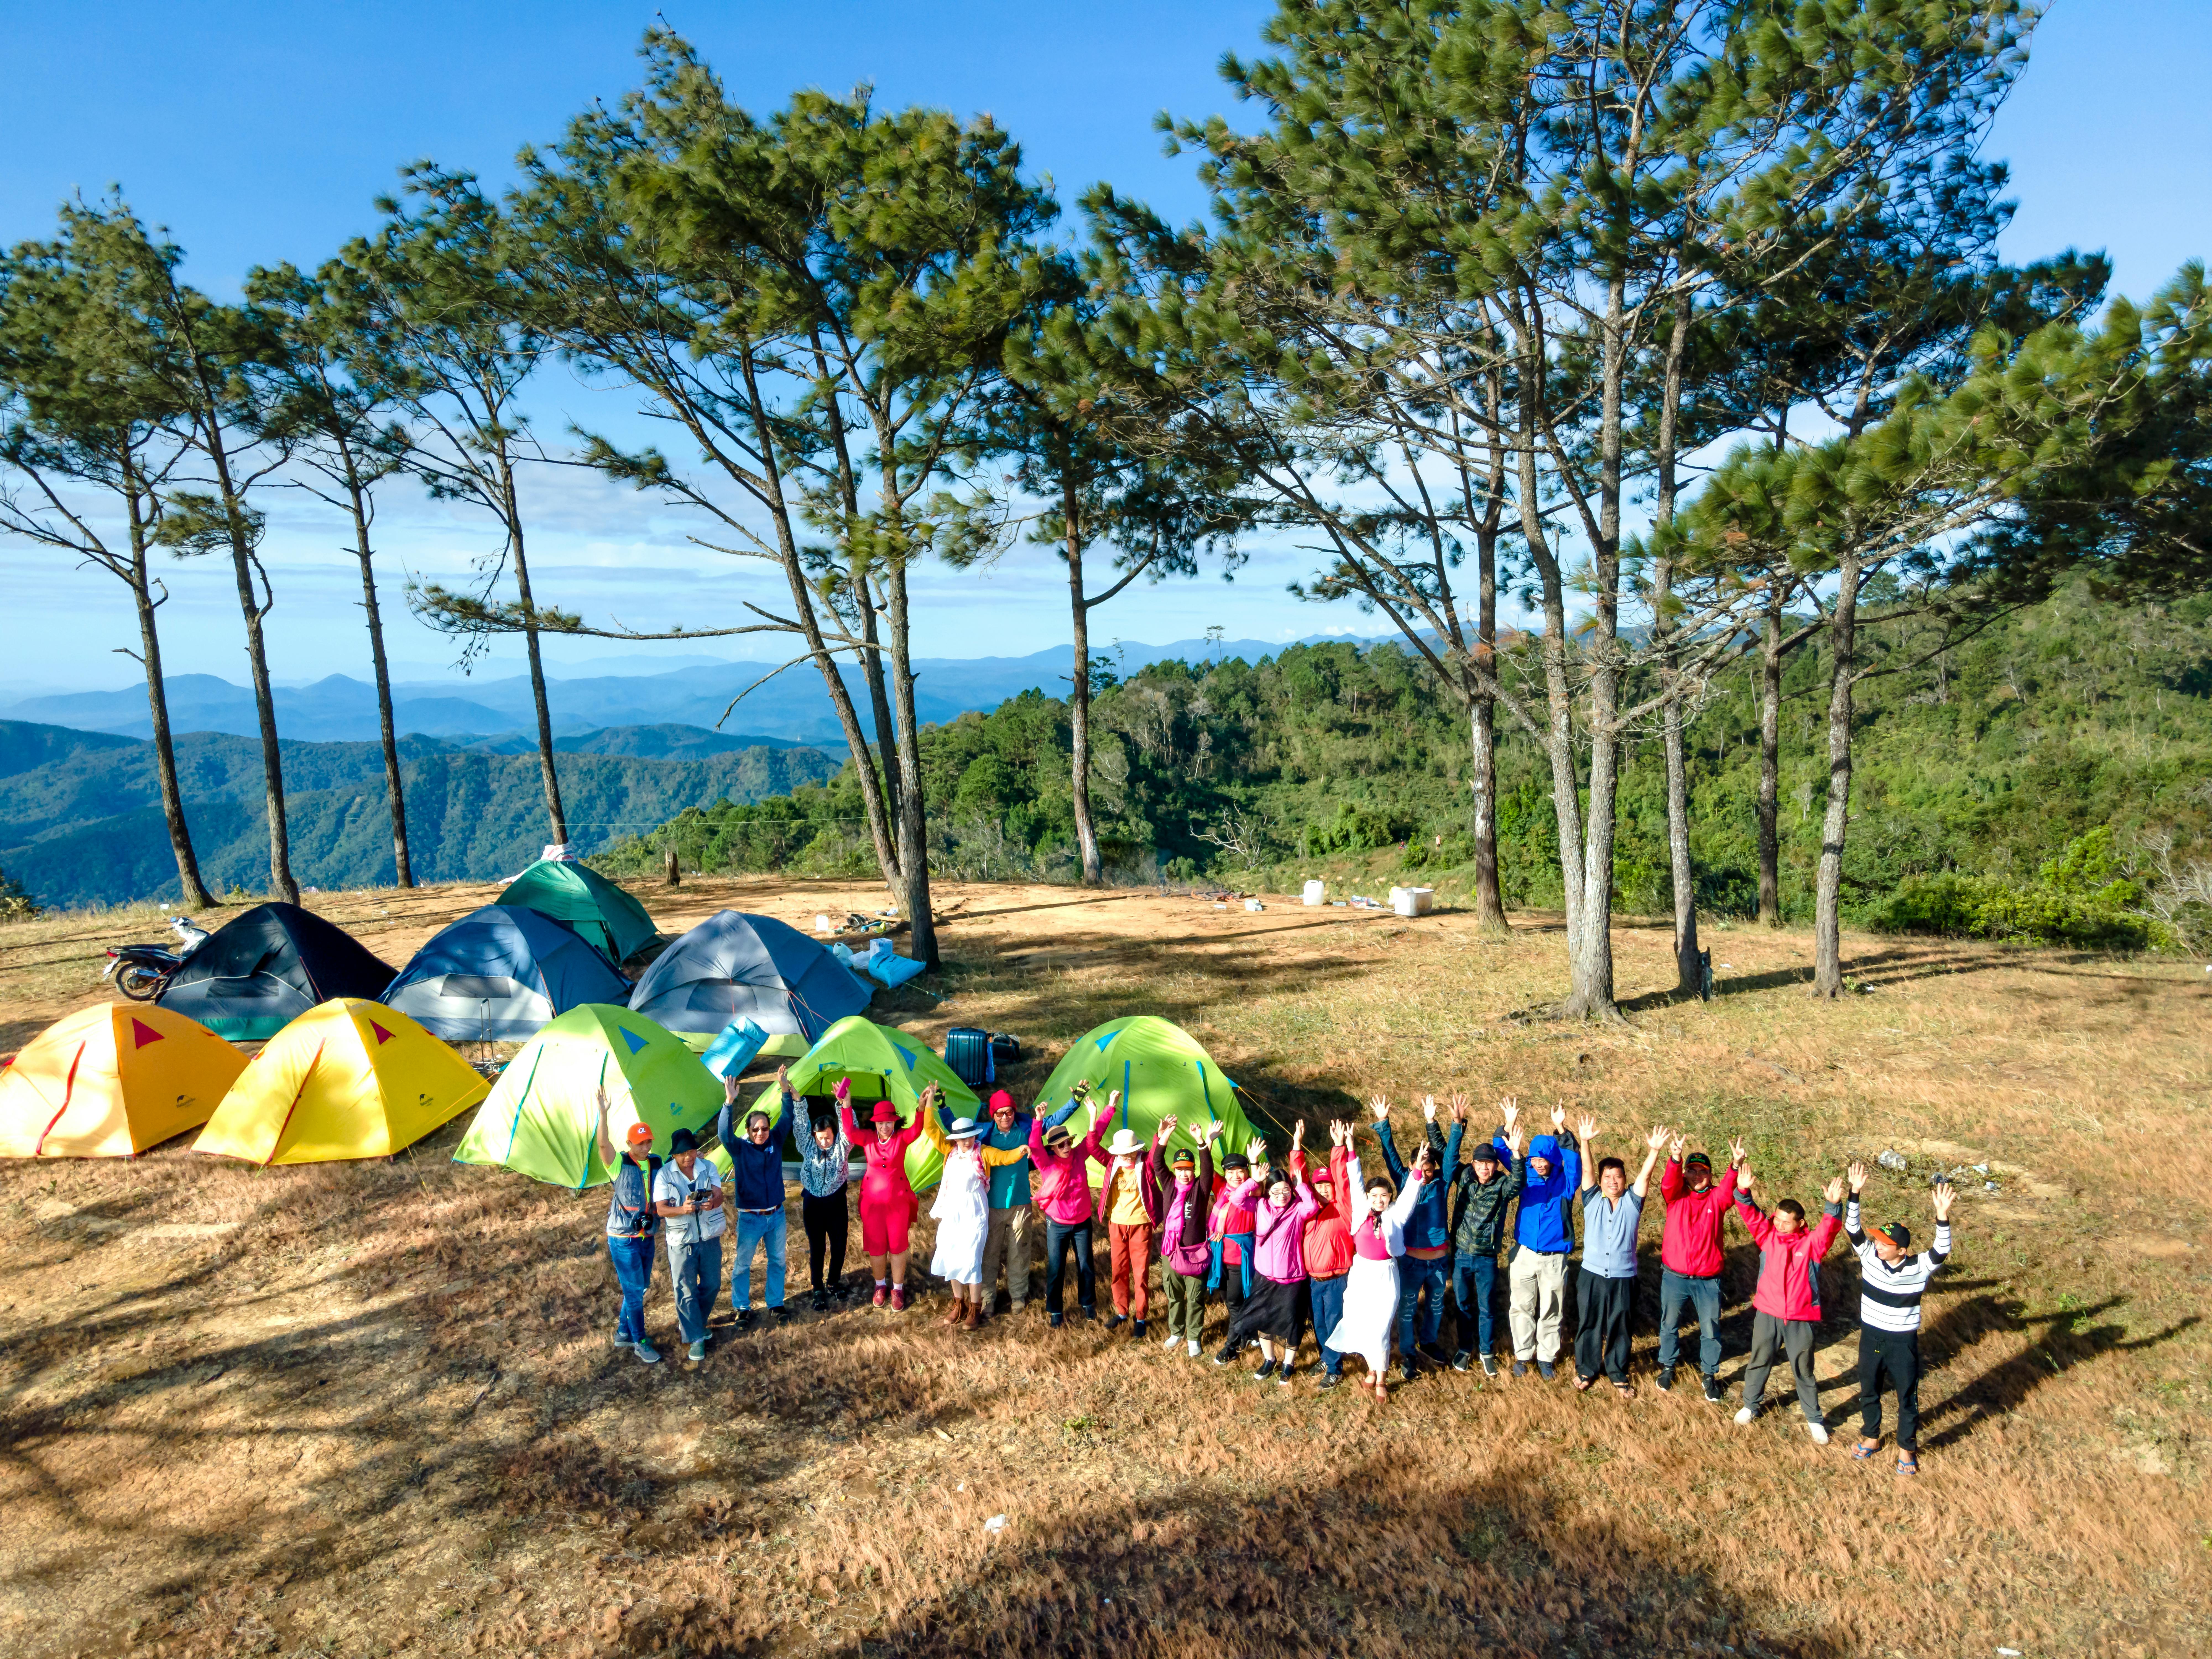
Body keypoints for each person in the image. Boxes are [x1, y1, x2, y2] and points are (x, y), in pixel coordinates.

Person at [1846, 1161, 1955, 1475]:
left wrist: (1942, 1215)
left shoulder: (1919, 1267)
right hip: (1871, 1337)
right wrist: (1855, 1193)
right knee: (1869, 1389)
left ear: (1902, 1251)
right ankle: (1871, 1438)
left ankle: (1907, 1449)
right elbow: (1852, 1229)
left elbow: (1941, 1250)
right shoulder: (1869, 1257)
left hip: (1901, 1342)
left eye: (1885, 1244)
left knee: (1907, 1395)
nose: (1877, 1246)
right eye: (1878, 1240)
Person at [1732, 1167, 1847, 1442]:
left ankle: (1814, 1420)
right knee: (1758, 1361)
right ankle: (1750, 1405)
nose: (1780, 1225)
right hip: (1767, 1313)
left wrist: (1832, 1206)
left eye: (1786, 1222)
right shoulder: (1767, 1237)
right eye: (1777, 1220)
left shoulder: (1811, 1246)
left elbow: (1829, 1229)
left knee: (1803, 1370)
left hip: (1799, 1317)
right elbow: (1749, 1214)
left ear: (1799, 1223)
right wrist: (1744, 1192)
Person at [1572, 1118, 1666, 1397]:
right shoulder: (1591, 1199)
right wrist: (1585, 1142)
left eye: (1618, 1177)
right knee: (1589, 1323)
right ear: (1600, 1182)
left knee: (1620, 1325)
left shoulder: (1632, 1201)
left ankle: (1616, 1371)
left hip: (1624, 1277)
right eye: (1607, 1178)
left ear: (1625, 1181)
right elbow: (1587, 1169)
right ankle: (1586, 1369)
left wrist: (1654, 1152)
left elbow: (1646, 1178)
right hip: (1591, 1275)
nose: (1612, 1182)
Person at [969, 1087, 1082, 1314]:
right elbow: (955, 1127)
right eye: (1000, 1113)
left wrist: (1075, 1101)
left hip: (1021, 1202)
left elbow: (1052, 1122)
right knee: (989, 1253)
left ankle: (1018, 1296)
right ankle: (988, 1297)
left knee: (1019, 1252)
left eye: (1009, 1112)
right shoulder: (984, 1134)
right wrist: (940, 1106)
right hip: (991, 1205)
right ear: (993, 1115)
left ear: (1014, 1112)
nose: (1005, 1118)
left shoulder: (1025, 1128)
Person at [1324, 1153, 1428, 1402]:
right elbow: (1356, 1178)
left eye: (1384, 1195)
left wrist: (1417, 1168)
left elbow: (1411, 1194)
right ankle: (1372, 1368)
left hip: (1386, 1274)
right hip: (1361, 1273)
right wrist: (1350, 1149)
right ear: (1368, 1198)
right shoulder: (1361, 1210)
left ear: (1390, 1197)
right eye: (1375, 1196)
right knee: (1362, 1323)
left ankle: (1381, 1379)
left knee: (1381, 1328)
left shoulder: (1396, 1215)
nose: (1379, 1200)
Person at [1370, 1094, 1455, 1382]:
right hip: (1410, 1262)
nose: (1426, 1175)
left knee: (1435, 1305)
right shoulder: (1406, 1181)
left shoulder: (1442, 1183)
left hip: (1438, 1262)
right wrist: (1383, 1123)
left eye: (1430, 1170)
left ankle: (1428, 1343)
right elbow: (1389, 1154)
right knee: (1405, 1310)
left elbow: (1452, 1153)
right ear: (1411, 1167)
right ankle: (1407, 1352)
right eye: (1421, 1169)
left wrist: (1440, 1122)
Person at [1215, 1156, 1319, 1384]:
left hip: (1291, 1279)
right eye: (1275, 1191)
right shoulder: (1260, 1206)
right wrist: (1254, 1180)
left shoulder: (1298, 1210)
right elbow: (1236, 1197)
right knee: (1263, 1322)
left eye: (1286, 1191)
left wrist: (1301, 1185)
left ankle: (1288, 1365)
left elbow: (1313, 1206)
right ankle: (1270, 1360)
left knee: (1292, 1325)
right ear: (1268, 1192)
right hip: (1264, 1277)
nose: (1281, 1196)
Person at [1654, 1133, 1742, 1401]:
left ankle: (1708, 1375)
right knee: (1669, 1324)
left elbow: (1728, 1190)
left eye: (1701, 1172)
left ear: (1709, 1175)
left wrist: (1735, 1166)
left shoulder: (1717, 1199)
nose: (1695, 1176)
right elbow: (1668, 1182)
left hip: (1707, 1279)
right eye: (1691, 1171)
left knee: (1710, 1330)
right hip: (1674, 1277)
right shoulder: (1675, 1196)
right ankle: (1668, 1366)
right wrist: (1675, 1158)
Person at [1443, 1097, 1525, 1376]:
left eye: (1489, 1164)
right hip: (1462, 1255)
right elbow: (1448, 1157)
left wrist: (1515, 1155)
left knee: (1487, 1307)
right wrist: (1456, 1125)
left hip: (1487, 1258)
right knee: (1463, 1305)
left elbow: (1518, 1183)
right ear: (1474, 1164)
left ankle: (1487, 1352)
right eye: (1480, 1163)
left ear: (1494, 1166)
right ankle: (1465, 1349)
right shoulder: (1464, 1176)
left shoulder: (1503, 1185)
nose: (1484, 1168)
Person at [839, 1077, 931, 1311]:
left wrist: (921, 1109)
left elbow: (917, 1130)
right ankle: (880, 1286)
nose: (885, 1127)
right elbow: (850, 1132)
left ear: (895, 1122)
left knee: (899, 1246)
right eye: (881, 1123)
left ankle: (898, 1289)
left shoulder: (901, 1138)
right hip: (872, 1205)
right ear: (875, 1124)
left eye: (889, 1122)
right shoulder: (868, 1139)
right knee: (877, 1246)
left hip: (898, 1203)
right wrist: (846, 1105)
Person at [1028, 1090, 1116, 1327]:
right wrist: (1038, 1121)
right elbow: (1034, 1147)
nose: (1067, 1146)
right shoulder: (1047, 1165)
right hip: (1057, 1224)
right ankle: (1056, 1310)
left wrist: (1106, 1109)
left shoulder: (1079, 1155)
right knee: (1056, 1268)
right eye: (1061, 1145)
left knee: (1086, 1265)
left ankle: (1088, 1303)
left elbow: (1094, 1138)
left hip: (1082, 1223)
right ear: (1054, 1149)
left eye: (1068, 1142)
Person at [922, 1107, 1016, 1328]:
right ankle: (959, 1305)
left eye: (970, 1137)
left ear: (975, 1135)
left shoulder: (982, 1152)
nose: (966, 1141)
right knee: (951, 1253)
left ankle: (975, 1308)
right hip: (953, 1210)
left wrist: (1020, 1151)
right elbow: (931, 1129)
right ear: (956, 1139)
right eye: (962, 1138)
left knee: (972, 1258)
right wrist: (928, 1106)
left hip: (975, 1209)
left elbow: (1003, 1158)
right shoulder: (950, 1151)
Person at [1508, 1105, 1581, 1379]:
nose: (1539, 1164)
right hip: (1524, 1253)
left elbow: (1573, 1161)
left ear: (1553, 1159)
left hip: (1554, 1257)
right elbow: (1504, 1153)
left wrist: (1561, 1128)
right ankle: (1523, 1355)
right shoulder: (1525, 1173)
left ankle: (1546, 1357)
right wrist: (1508, 1123)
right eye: (1535, 1159)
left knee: (1552, 1308)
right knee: (1521, 1306)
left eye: (1544, 1159)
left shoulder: (1566, 1183)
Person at [717, 1071, 790, 1331]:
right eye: (756, 1129)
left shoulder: (776, 1142)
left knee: (778, 1261)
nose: (761, 1132)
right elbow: (724, 1135)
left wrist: (784, 1091)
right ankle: (742, 1308)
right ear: (748, 1131)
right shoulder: (740, 1149)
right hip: (751, 1218)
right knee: (743, 1265)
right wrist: (729, 1103)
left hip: (776, 1215)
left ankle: (776, 1303)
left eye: (765, 1128)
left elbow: (788, 1118)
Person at [594, 1093, 663, 1366]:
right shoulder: (618, 1163)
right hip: (623, 1238)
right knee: (634, 1291)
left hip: (648, 1234)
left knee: (641, 1287)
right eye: (640, 1143)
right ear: (629, 1144)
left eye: (648, 1142)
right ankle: (640, 1341)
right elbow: (602, 1143)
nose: (645, 1147)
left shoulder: (656, 1162)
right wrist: (603, 1113)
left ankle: (623, 1332)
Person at [1290, 1118, 1357, 1390]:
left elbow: (1342, 1179)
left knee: (1332, 1322)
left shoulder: (1343, 1208)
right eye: (1319, 1185)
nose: (1324, 1188)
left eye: (1327, 1184)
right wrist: (1296, 1145)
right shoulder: (1306, 1210)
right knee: (1318, 1323)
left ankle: (1334, 1367)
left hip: (1336, 1278)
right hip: (1312, 1280)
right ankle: (1325, 1357)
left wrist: (1338, 1146)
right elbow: (1299, 1179)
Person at [653, 1126, 730, 1364]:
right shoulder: (665, 1175)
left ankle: (693, 1322)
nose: (689, 1157)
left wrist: (713, 1203)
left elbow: (719, 1195)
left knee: (713, 1285)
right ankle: (696, 1338)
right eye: (683, 1153)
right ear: (674, 1156)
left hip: (709, 1237)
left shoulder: (709, 1168)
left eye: (692, 1151)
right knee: (684, 1290)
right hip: (682, 1242)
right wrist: (681, 1210)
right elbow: (661, 1209)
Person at [1152, 1118, 1224, 1358]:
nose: (1184, 1174)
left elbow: (1208, 1168)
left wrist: (1201, 1141)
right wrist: (1166, 1135)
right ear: (1175, 1171)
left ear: (1194, 1171)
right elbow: (1157, 1162)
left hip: (1194, 1252)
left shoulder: (1200, 1189)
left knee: (1195, 1297)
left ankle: (1194, 1337)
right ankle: (1176, 1331)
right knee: (1174, 1295)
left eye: (1188, 1170)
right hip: (1170, 1251)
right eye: (1180, 1169)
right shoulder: (1169, 1185)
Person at [784, 1070, 853, 1311]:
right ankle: (818, 1288)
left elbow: (848, 1131)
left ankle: (833, 1281)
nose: (824, 1142)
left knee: (839, 1244)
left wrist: (845, 1104)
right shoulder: (808, 1146)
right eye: (820, 1138)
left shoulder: (842, 1148)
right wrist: (799, 1103)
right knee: (817, 1247)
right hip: (813, 1203)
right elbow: (801, 1128)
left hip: (836, 1204)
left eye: (828, 1137)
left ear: (834, 1135)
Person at [1100, 1121, 1165, 1336]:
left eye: (1131, 1152)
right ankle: (1121, 1312)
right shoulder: (1113, 1163)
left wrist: (1160, 1135)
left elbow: (1157, 1155)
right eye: (1123, 1153)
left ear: (1138, 1149)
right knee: (1119, 1270)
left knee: (1140, 1272)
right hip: (1117, 1224)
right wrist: (1096, 1117)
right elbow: (1092, 1146)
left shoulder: (1145, 1163)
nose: (1127, 1157)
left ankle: (1140, 1317)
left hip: (1141, 1225)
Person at [1208, 1142, 1263, 1340]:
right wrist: (1205, 1141)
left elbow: (1256, 1184)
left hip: (1239, 1257)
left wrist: (1255, 1161)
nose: (1235, 1176)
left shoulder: (1252, 1197)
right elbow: (1206, 1167)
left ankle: (1236, 1339)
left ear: (1248, 1173)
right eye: (1231, 1172)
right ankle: (1249, 1333)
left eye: (1240, 1172)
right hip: (1218, 1254)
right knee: (1228, 1298)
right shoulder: (1222, 1188)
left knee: (1235, 1300)